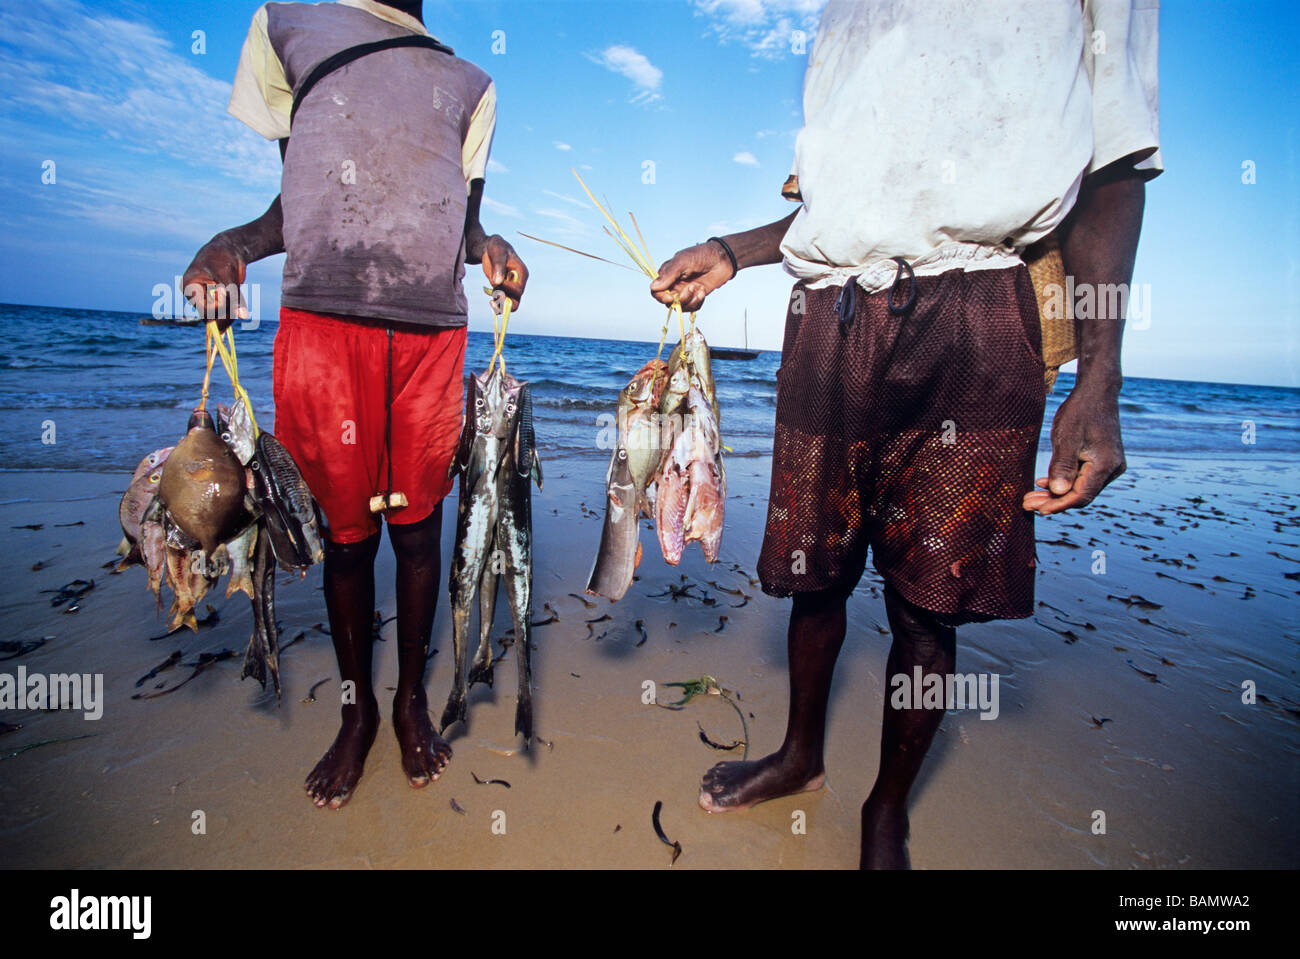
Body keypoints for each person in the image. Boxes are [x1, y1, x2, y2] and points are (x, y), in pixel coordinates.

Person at [651, 0, 1161, 867]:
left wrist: (1099, 375)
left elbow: (1112, 160)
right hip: (828, 313)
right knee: (815, 575)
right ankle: (802, 755)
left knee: (929, 602)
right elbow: (843, 211)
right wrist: (731, 249)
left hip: (980, 309)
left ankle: (887, 805)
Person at [183, 0, 528, 809]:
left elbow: (466, 228)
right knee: (344, 539)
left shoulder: (471, 83)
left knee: (416, 530)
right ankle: (358, 708)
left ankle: (409, 698)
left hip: (431, 337)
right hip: (322, 327)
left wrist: (493, 248)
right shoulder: (287, 25)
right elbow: (291, 204)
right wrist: (232, 244)